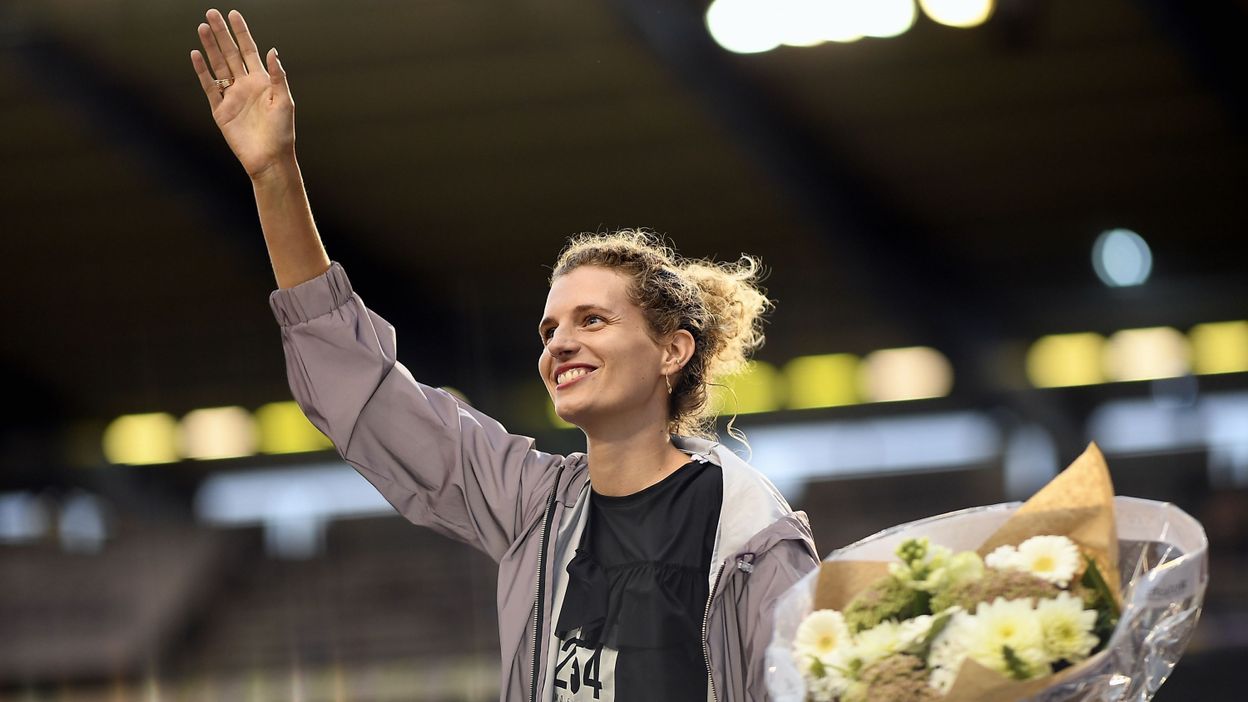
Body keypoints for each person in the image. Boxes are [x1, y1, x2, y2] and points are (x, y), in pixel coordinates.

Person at [190, 8, 819, 700]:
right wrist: (275, 175)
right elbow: (366, 396)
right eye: (549, 330)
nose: (561, 344)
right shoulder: (532, 503)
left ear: (672, 350)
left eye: (592, 319)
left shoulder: (753, 535)